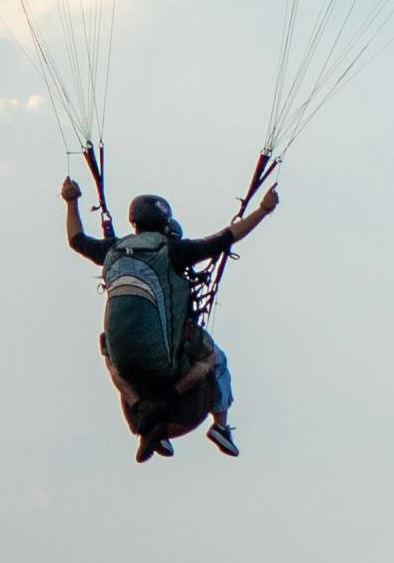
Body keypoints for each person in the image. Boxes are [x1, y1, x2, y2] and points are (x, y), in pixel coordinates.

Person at [69, 149, 275, 464]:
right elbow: (227, 236)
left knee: (108, 355)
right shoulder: (174, 251)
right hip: (162, 359)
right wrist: (262, 210)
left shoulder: (113, 249)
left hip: (123, 361)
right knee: (212, 358)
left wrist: (71, 200)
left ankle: (141, 407)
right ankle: (220, 426)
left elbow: (76, 239)